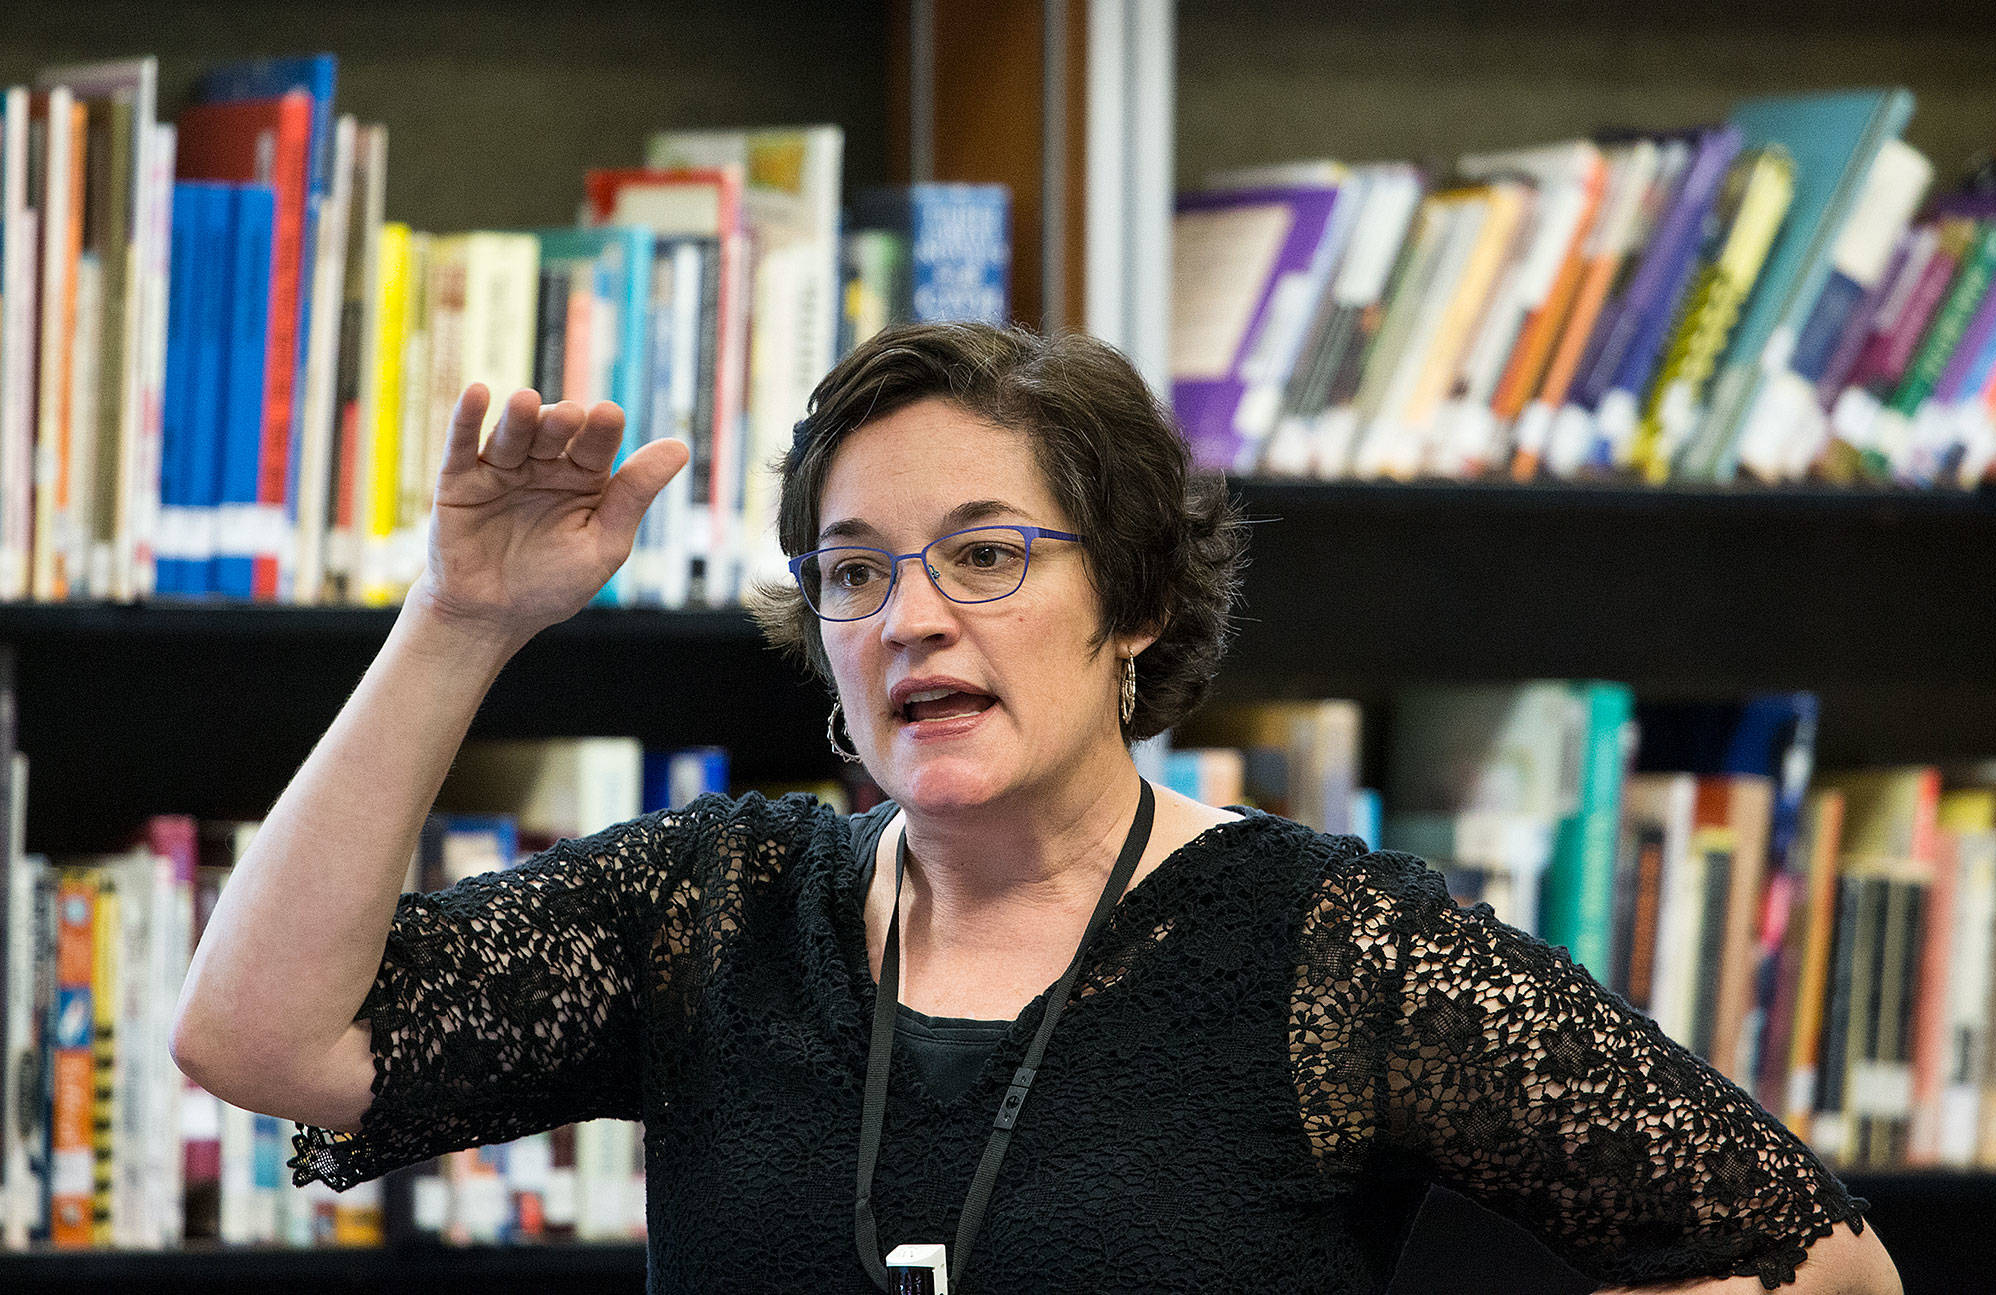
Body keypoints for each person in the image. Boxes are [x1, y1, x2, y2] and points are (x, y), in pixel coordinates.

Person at [172, 322, 1902, 1294]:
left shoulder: (1330, 951)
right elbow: (260, 1038)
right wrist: (462, 619)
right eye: (855, 575)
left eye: (985, 556)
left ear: (1134, 601)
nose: (911, 615)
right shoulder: (714, 912)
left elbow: (1819, 1270)